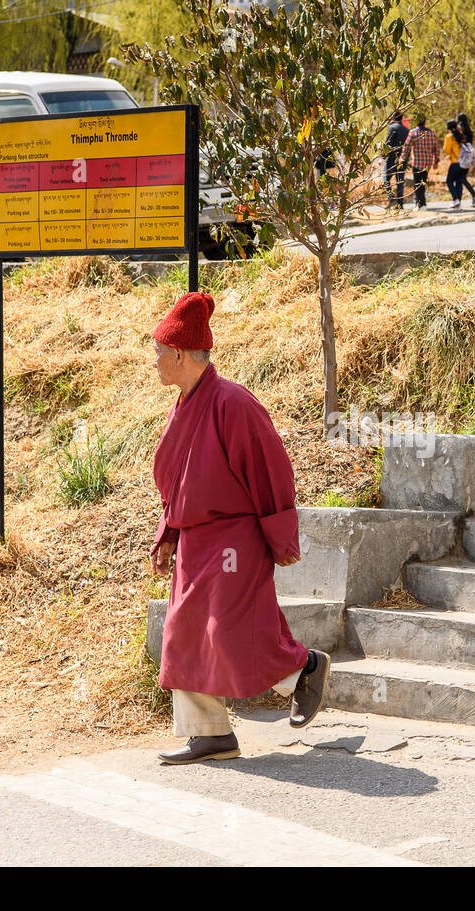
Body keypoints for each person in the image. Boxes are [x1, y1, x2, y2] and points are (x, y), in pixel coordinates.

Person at [149, 291, 331, 765]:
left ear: (183, 354)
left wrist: (279, 537)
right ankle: (209, 733)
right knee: (183, 634)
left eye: (158, 353)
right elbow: (179, 482)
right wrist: (169, 534)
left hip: (234, 540)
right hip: (195, 540)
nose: (154, 363)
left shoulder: (232, 402)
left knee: (232, 632)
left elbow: (271, 470)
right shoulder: (185, 403)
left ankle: (305, 668)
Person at [400, 112, 439, 209]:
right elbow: (436, 148)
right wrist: (435, 161)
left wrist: (402, 158)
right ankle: (420, 203)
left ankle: (421, 204)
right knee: (423, 181)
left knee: (417, 183)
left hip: (417, 162)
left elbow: (406, 147)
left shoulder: (413, 132)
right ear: (425, 121)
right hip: (428, 163)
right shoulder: (432, 133)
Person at [383, 110, 409, 209]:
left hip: (392, 158)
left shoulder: (392, 127)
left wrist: (383, 155)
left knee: (386, 179)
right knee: (400, 181)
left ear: (393, 117)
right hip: (403, 159)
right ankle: (400, 204)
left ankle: (392, 199)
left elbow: (388, 143)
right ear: (401, 118)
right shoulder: (406, 130)